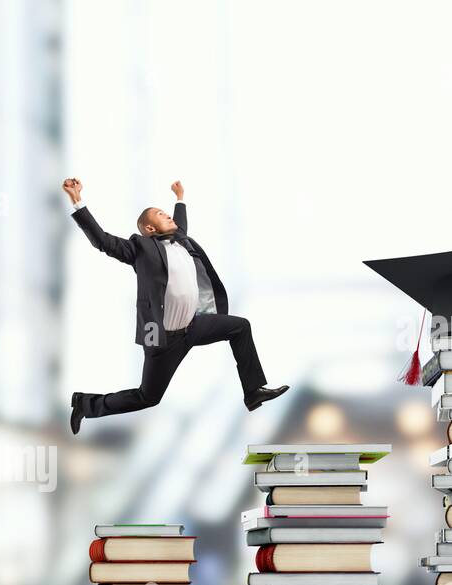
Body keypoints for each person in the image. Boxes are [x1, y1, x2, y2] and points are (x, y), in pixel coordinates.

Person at [64, 177, 288, 434]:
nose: (169, 216)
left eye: (168, 214)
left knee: (240, 327)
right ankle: (85, 404)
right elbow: (103, 241)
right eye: (161, 215)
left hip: (194, 327)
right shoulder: (141, 248)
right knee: (148, 396)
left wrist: (179, 198)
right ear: (149, 228)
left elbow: (180, 222)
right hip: (163, 338)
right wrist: (77, 201)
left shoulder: (181, 239)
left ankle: (253, 392)